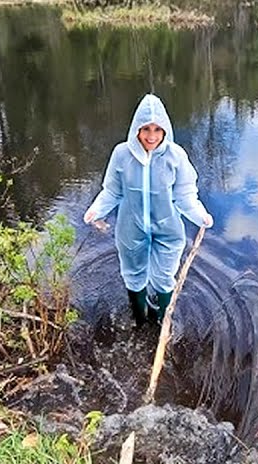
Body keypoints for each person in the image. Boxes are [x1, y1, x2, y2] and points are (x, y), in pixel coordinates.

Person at [83, 93, 213, 327]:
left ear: (165, 130)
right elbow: (112, 191)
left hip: (167, 229)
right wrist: (97, 210)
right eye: (146, 129)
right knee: (133, 276)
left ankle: (163, 320)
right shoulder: (121, 154)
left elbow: (185, 194)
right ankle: (139, 318)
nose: (151, 136)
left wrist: (199, 215)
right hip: (130, 228)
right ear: (137, 129)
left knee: (164, 277)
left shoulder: (176, 156)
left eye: (157, 129)